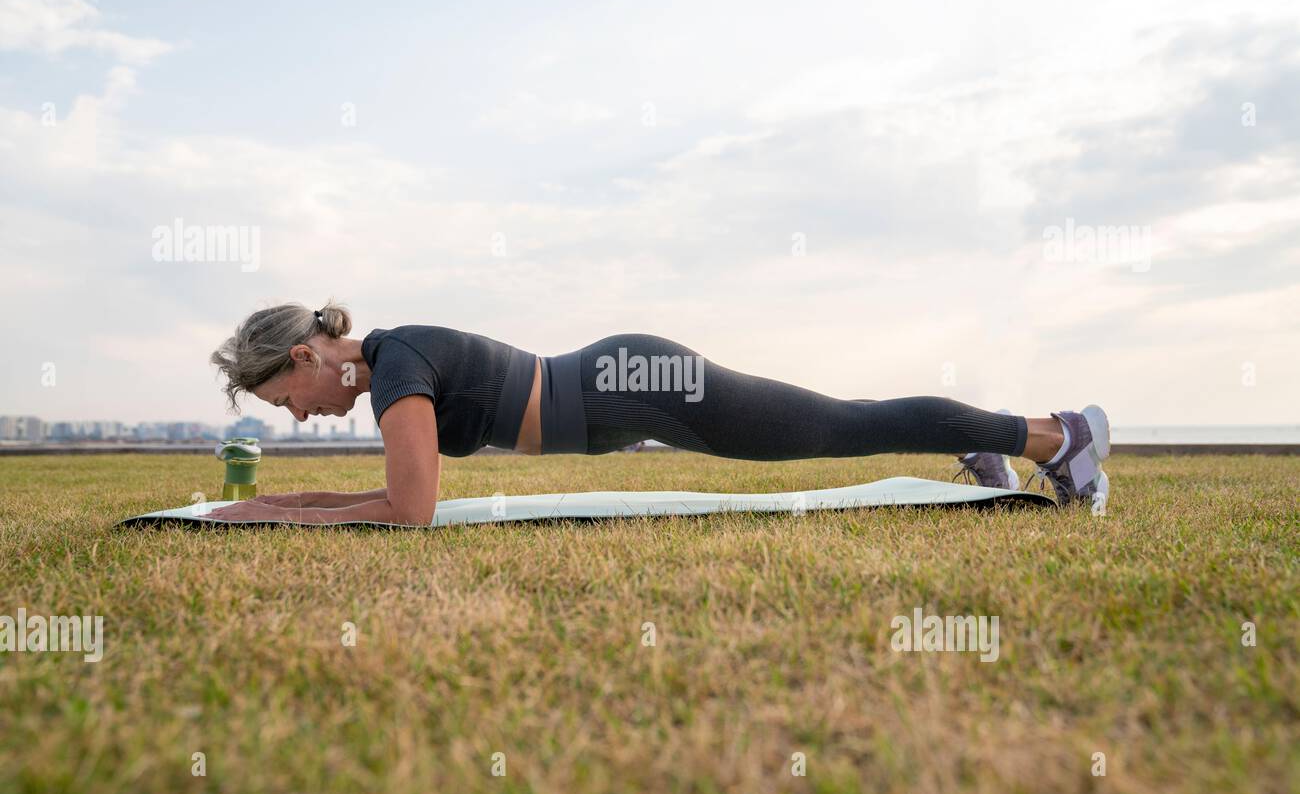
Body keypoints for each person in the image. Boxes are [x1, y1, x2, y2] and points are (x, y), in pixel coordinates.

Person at [207, 300, 1110, 525]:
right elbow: (401, 493)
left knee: (835, 426)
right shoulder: (397, 365)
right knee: (840, 420)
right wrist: (277, 509)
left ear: (306, 357)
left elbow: (410, 511)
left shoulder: (398, 366)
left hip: (634, 385)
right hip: (621, 386)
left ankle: (1056, 435)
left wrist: (270, 511)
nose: (299, 416)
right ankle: (995, 442)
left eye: (290, 400)